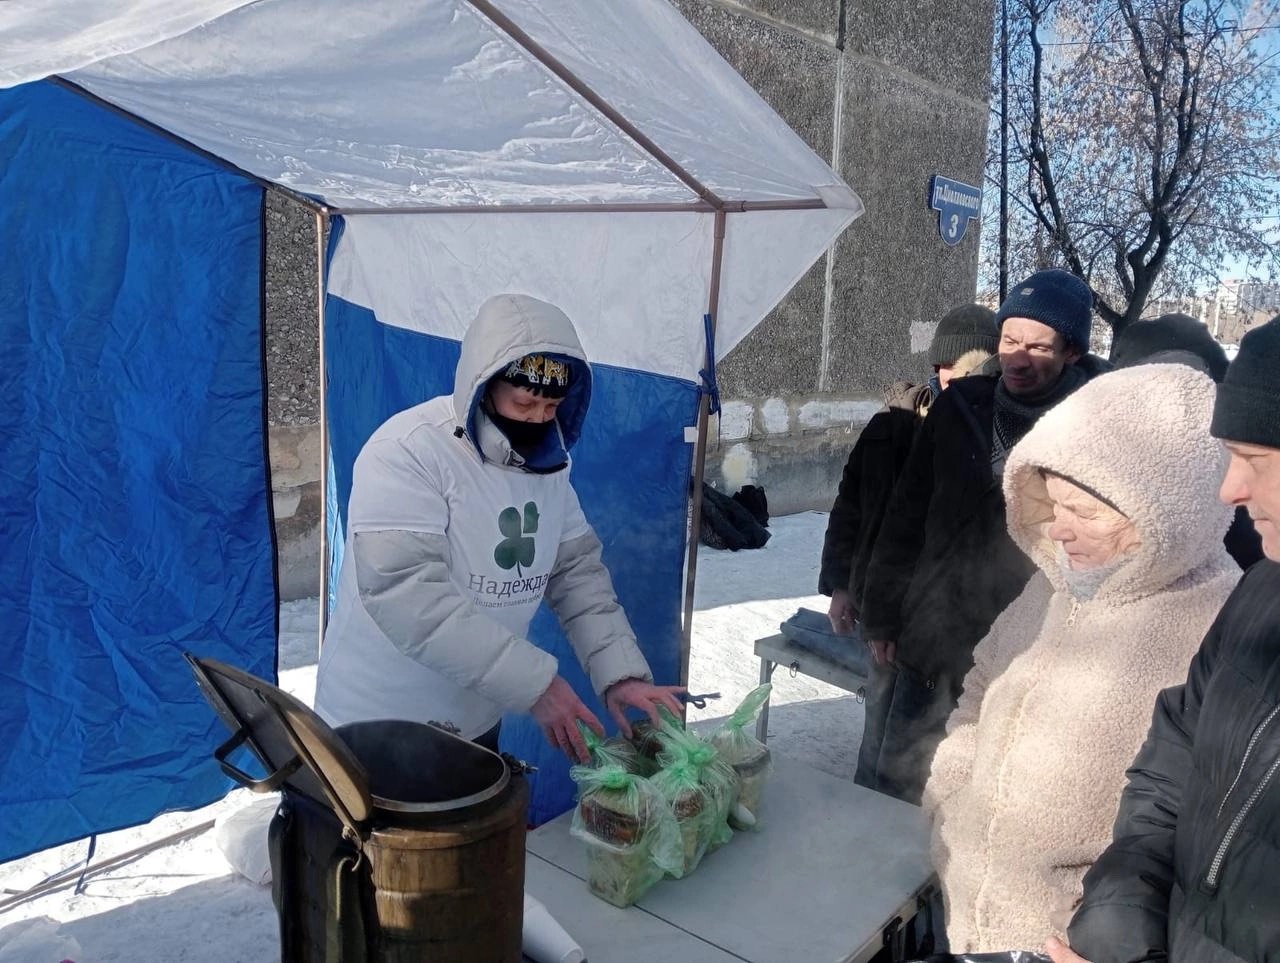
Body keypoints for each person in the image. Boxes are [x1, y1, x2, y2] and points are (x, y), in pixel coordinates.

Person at [923, 364, 1238, 953]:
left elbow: (1214, 837)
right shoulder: (1054, 584)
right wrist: (950, 803)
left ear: (1168, 507)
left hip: (1078, 946)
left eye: (1086, 511)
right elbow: (980, 687)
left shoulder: (1223, 625)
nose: (1061, 531)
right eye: (1054, 505)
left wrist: (1114, 932)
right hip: (966, 910)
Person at [313, 293, 684, 763]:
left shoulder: (549, 465)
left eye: (552, 407)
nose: (538, 419)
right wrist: (537, 685)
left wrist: (621, 675)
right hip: (375, 723)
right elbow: (406, 594)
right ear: (483, 385)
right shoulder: (408, 452)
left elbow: (577, 577)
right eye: (525, 402)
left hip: (475, 720)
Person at [1049, 314, 1280, 963]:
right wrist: (1123, 918)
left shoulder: (1216, 587)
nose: (1232, 488)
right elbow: (1172, 758)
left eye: (1257, 459)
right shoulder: (1263, 593)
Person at [858, 268, 1108, 803]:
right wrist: (880, 614)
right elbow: (905, 516)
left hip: (1026, 647)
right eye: (1010, 340)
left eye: (1039, 347)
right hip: (932, 634)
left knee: (982, 797)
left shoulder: (1092, 426)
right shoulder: (959, 405)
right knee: (897, 786)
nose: (1018, 357)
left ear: (1071, 353)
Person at [818, 302, 997, 788]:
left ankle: (902, 828)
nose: (954, 382)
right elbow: (849, 509)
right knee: (879, 718)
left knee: (926, 743)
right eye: (947, 369)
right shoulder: (889, 428)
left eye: (972, 373)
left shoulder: (986, 443)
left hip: (939, 622)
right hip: (878, 603)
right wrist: (841, 584)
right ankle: (864, 808)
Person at [1110, 312, 1263, 569]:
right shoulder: (1087, 476)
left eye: (1194, 392)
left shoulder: (1247, 493)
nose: (1180, 408)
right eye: (1154, 393)